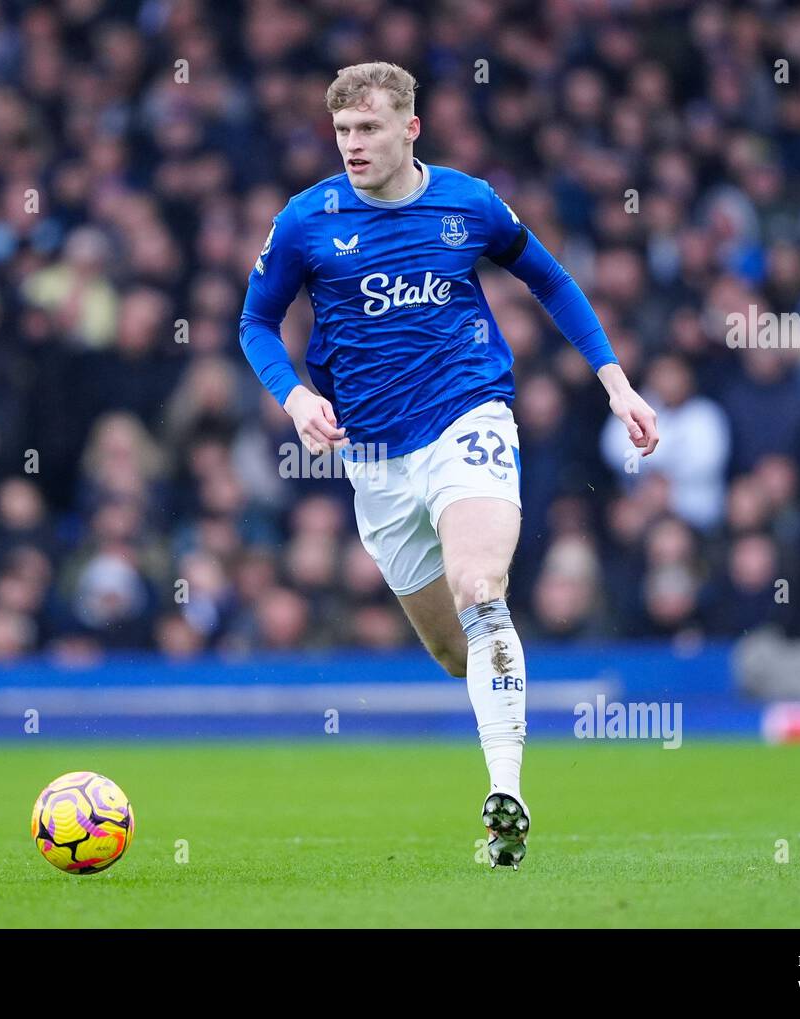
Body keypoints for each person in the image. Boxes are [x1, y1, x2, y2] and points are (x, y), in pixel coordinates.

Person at [239, 62, 659, 869]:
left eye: (369, 129)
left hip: (469, 416)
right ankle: (507, 706)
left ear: (410, 129)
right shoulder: (306, 220)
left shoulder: (468, 202)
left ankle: (507, 798)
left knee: (479, 587)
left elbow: (551, 278)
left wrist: (616, 383)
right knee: (452, 649)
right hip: (373, 457)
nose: (354, 145)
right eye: (343, 132)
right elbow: (256, 320)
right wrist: (292, 396)